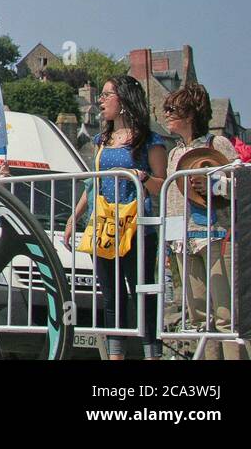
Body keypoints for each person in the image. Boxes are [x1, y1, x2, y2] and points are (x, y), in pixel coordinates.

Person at [63, 76, 166, 360]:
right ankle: (115, 356)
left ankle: (152, 355)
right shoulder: (102, 139)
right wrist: (75, 216)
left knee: (142, 292)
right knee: (111, 296)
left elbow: (163, 183)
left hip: (136, 227)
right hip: (104, 225)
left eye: (107, 95)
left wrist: (143, 178)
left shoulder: (149, 139)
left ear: (124, 100)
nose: (101, 100)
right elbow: (92, 183)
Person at [161, 84, 251, 360]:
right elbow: (170, 200)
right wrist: (167, 244)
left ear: (190, 115)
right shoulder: (175, 153)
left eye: (172, 111)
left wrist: (212, 183)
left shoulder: (216, 144)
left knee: (225, 315)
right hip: (182, 239)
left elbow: (241, 184)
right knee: (199, 316)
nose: (166, 116)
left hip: (215, 234)